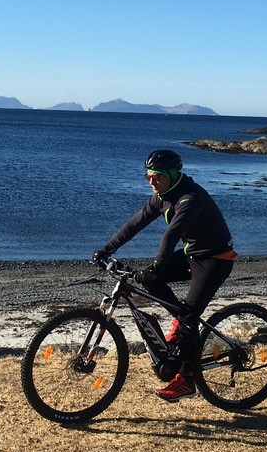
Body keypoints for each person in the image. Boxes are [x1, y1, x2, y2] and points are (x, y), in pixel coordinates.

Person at [93, 149, 237, 402]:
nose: (151, 181)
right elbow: (134, 224)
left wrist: (156, 266)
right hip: (193, 255)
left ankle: (187, 380)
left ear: (172, 175)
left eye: (157, 176)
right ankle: (180, 321)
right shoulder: (162, 196)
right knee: (154, 282)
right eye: (148, 176)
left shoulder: (190, 197)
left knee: (189, 316)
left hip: (216, 259)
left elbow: (170, 236)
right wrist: (106, 250)